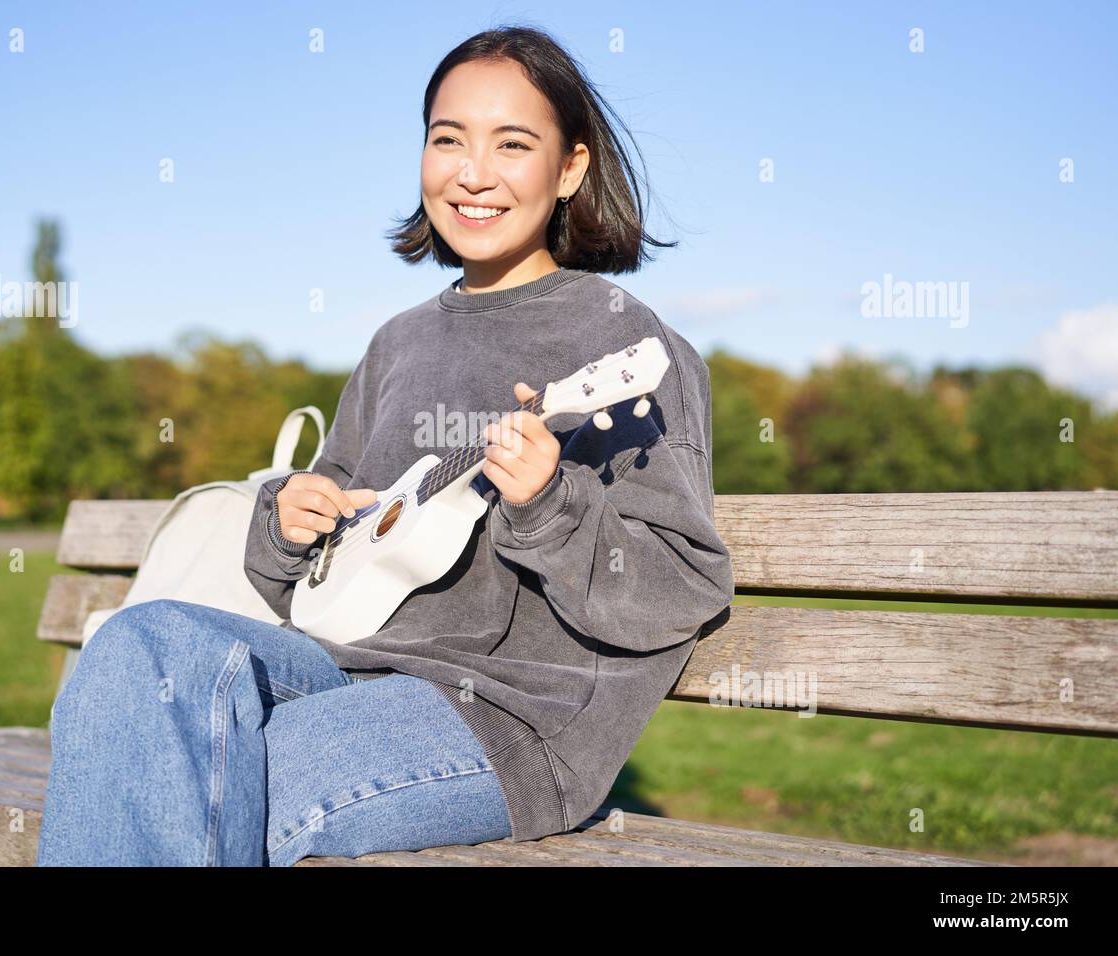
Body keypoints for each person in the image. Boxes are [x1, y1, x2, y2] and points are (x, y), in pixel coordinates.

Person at [37, 24, 734, 867]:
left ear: (571, 170)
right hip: (342, 670)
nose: (473, 173)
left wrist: (551, 507)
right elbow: (324, 567)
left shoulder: (622, 344)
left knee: (195, 776)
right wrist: (290, 521)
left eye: (513, 144)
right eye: (449, 140)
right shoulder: (397, 343)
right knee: (134, 652)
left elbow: (680, 588)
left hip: (507, 715)